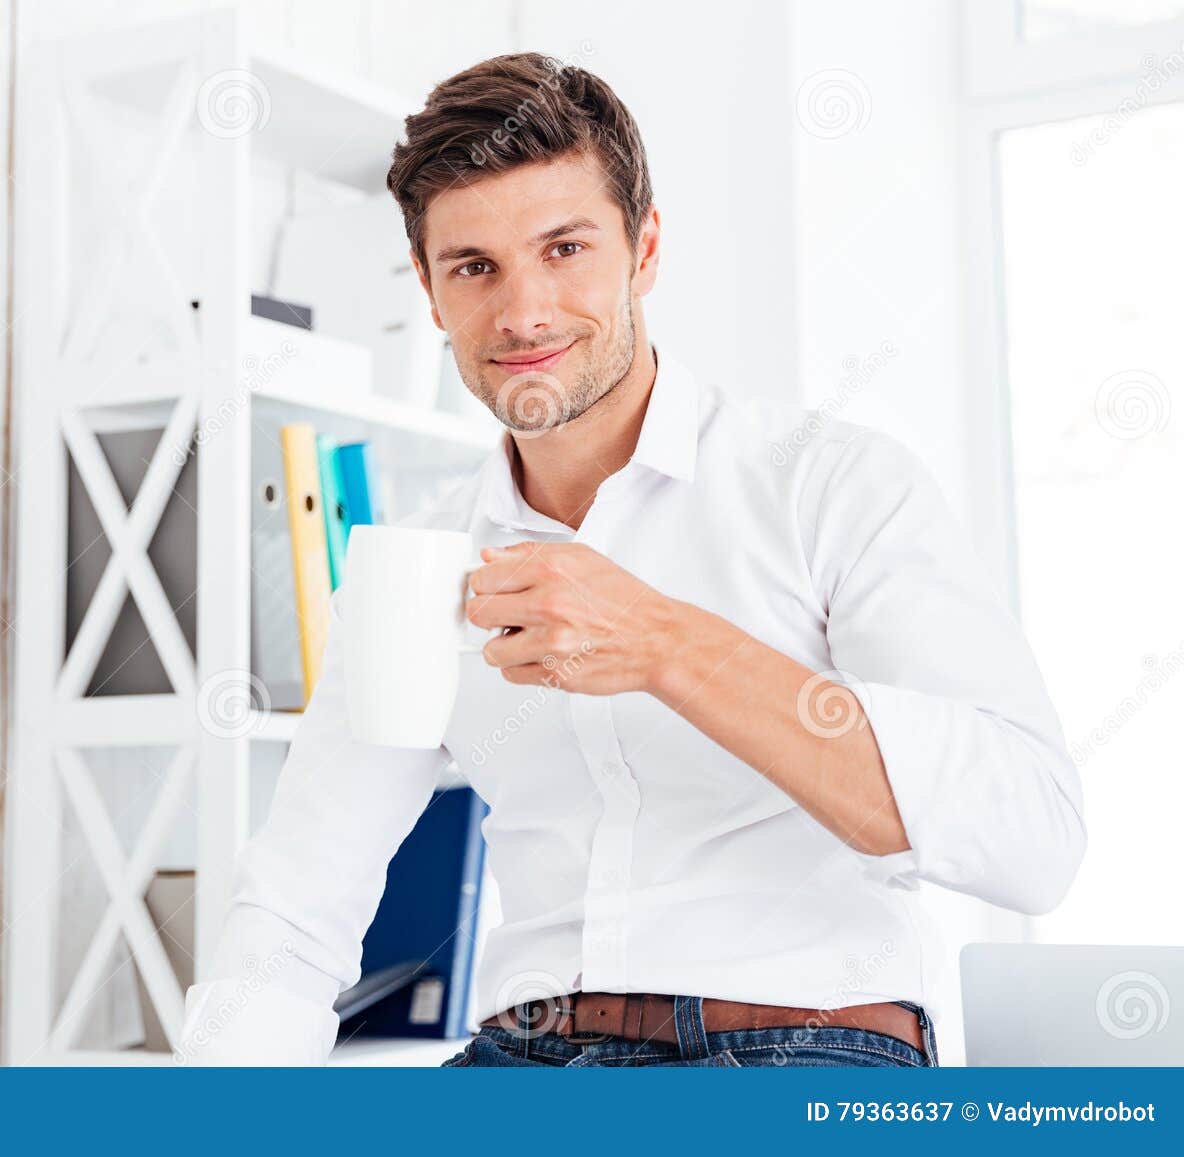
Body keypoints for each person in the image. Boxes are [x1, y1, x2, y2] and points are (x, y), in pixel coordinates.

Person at [177, 53, 1084, 1067]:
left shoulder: (829, 485)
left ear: (644, 248)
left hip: (805, 1044)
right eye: (473, 266)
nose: (522, 312)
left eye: (564, 247)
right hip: (524, 1055)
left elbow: (1032, 838)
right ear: (431, 294)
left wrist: (666, 644)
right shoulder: (422, 564)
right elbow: (298, 898)